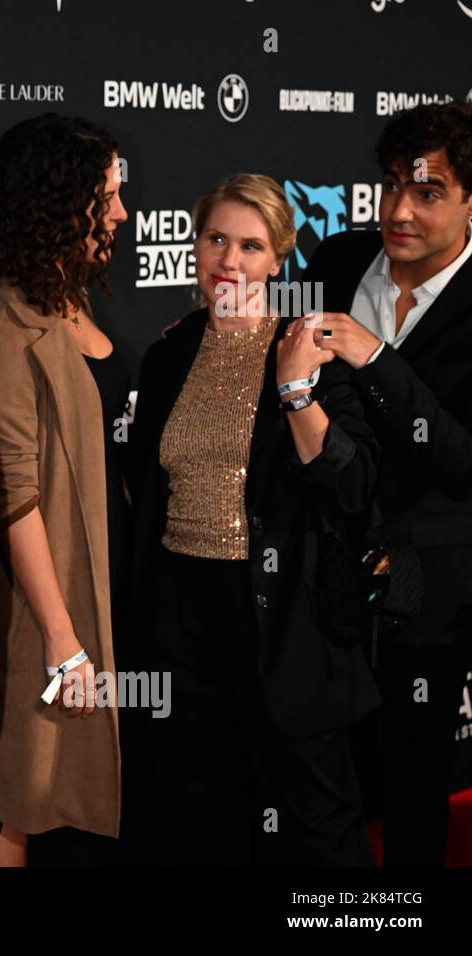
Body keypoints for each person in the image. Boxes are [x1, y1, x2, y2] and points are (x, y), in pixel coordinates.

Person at [129, 173, 381, 865]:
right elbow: (143, 491)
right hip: (182, 615)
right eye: (215, 239)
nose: (229, 262)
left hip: (284, 617)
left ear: (280, 257)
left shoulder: (310, 348)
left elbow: (352, 489)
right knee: (198, 815)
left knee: (317, 822)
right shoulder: (167, 355)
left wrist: (297, 389)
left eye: (249, 245)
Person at [0, 114, 130, 866]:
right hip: (50, 609)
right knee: (27, 804)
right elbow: (12, 493)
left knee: (59, 807)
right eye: (106, 197)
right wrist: (61, 641)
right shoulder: (2, 322)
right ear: (56, 202)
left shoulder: (71, 299)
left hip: (107, 588)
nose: (120, 213)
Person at [302, 102, 472, 866]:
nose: (399, 210)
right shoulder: (335, 260)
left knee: (411, 800)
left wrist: (375, 360)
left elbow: (463, 462)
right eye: (392, 185)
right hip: (315, 580)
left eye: (429, 191)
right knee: (319, 789)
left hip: (429, 599)